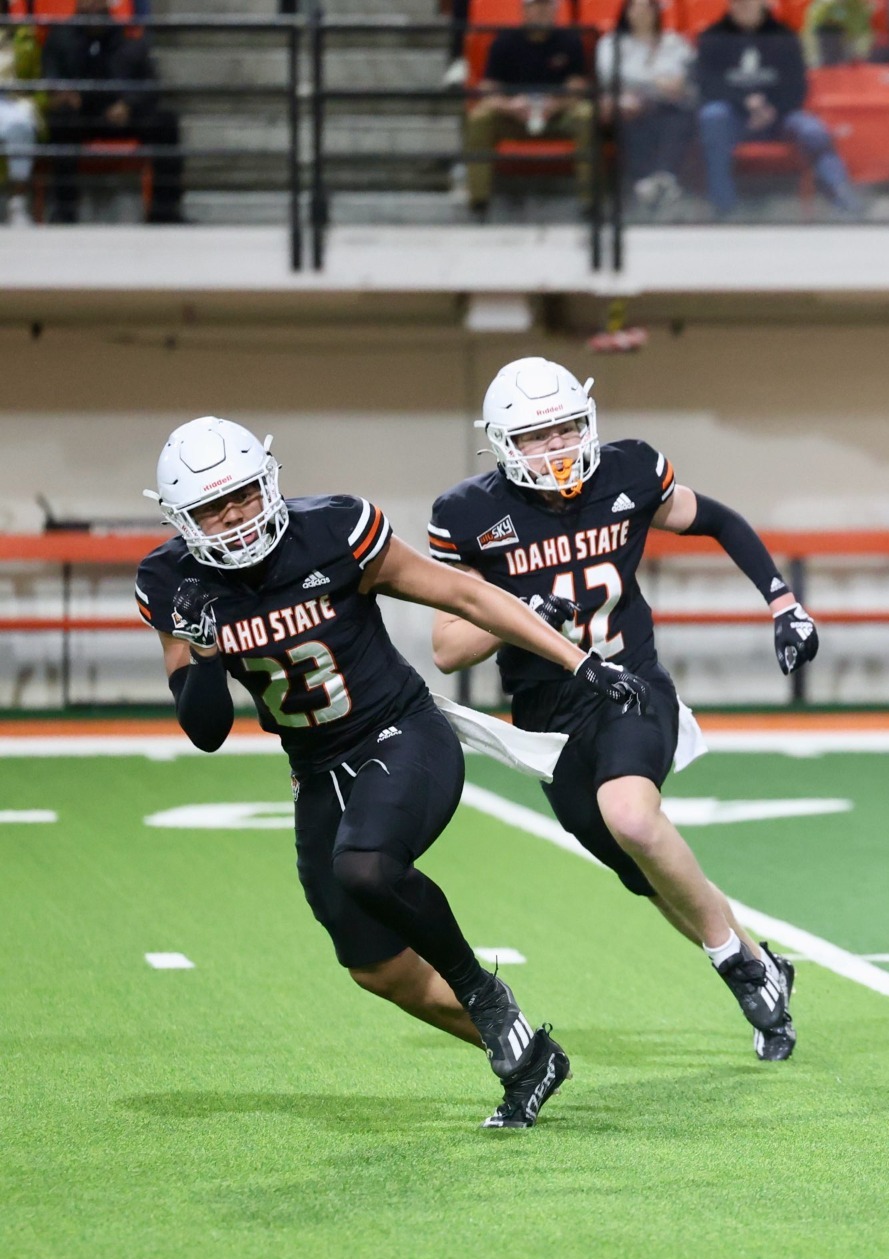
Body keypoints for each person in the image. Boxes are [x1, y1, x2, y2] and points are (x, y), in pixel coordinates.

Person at [135, 418, 652, 1127]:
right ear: (180, 519)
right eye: (210, 509)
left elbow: (463, 596)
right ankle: (532, 1057)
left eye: (245, 495)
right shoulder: (170, 582)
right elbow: (206, 731)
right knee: (375, 966)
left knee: (368, 867)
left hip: (402, 731)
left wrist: (579, 661)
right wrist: (197, 648)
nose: (233, 518)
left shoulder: (336, 532)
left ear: (270, 484)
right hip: (316, 770)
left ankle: (486, 995)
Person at [430, 357, 815, 1061]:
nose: (559, 447)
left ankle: (737, 964)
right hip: (548, 721)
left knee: (632, 816)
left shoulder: (629, 471)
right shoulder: (469, 515)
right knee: (647, 874)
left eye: (568, 427)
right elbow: (449, 648)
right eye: (539, 436)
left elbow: (718, 519)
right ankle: (762, 961)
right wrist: (517, 612)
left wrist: (782, 601)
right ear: (504, 444)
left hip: (631, 684)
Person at [696, 0, 860, 218]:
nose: (742, 5)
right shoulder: (713, 37)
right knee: (712, 116)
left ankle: (843, 196)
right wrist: (745, 102)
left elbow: (797, 87)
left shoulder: (784, 35)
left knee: (813, 130)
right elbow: (708, 84)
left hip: (780, 116)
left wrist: (770, 109)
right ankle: (724, 207)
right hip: (734, 116)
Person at [41, 0, 183, 224]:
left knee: (165, 122)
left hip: (121, 116)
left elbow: (150, 85)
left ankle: (164, 212)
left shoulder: (128, 39)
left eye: (97, 2)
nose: (92, 7)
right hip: (80, 116)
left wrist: (129, 104)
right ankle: (64, 211)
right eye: (86, 2)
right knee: (61, 122)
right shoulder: (60, 38)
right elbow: (49, 76)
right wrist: (62, 93)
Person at [463, 0, 592, 219]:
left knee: (587, 114)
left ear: (555, 10)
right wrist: (510, 106)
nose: (541, 12)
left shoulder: (570, 40)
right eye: (535, 6)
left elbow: (578, 87)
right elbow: (487, 88)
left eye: (546, 6)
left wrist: (555, 104)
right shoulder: (504, 41)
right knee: (479, 117)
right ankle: (479, 203)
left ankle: (590, 203)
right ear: (524, 10)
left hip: (557, 115)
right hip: (515, 116)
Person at [599, 0, 695, 211]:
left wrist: (648, 84)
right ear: (627, 12)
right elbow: (609, 76)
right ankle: (642, 182)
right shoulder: (612, 43)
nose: (642, 13)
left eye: (647, 7)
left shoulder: (674, 42)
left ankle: (664, 177)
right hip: (629, 107)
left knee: (679, 116)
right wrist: (656, 81)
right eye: (636, 7)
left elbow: (684, 79)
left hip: (668, 106)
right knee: (631, 114)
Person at [1, 7, 41, 224]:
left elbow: (33, 77)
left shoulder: (22, 36)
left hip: (9, 99)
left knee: (21, 126)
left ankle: (17, 205)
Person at [801, 0, 877, 68]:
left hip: (848, 42)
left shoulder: (857, 6)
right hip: (826, 40)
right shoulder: (824, 6)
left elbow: (861, 28)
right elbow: (813, 26)